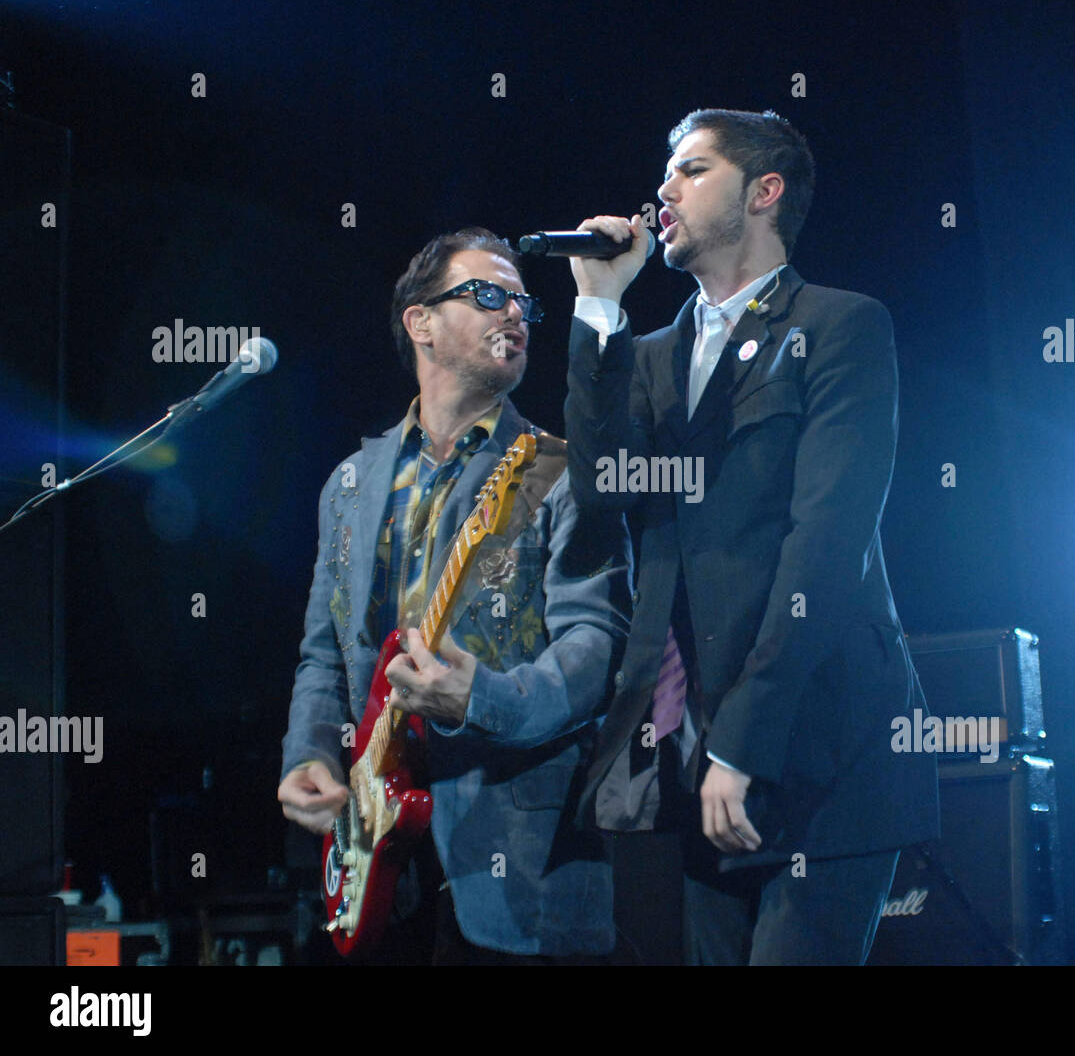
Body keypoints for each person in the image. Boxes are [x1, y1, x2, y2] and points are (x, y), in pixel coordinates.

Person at [563, 109, 940, 965]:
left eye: (692, 170)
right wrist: (596, 306)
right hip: (691, 754)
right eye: (667, 174)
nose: (665, 190)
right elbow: (601, 485)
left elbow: (826, 545)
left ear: (764, 191)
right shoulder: (650, 356)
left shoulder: (842, 327)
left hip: (818, 745)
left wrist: (743, 739)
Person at [277, 227, 631, 963]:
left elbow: (595, 650)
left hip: (521, 861)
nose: (515, 315)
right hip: (379, 858)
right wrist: (307, 750)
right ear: (421, 322)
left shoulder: (558, 471)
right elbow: (322, 651)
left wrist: (482, 698)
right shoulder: (346, 485)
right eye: (489, 295)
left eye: (525, 305)